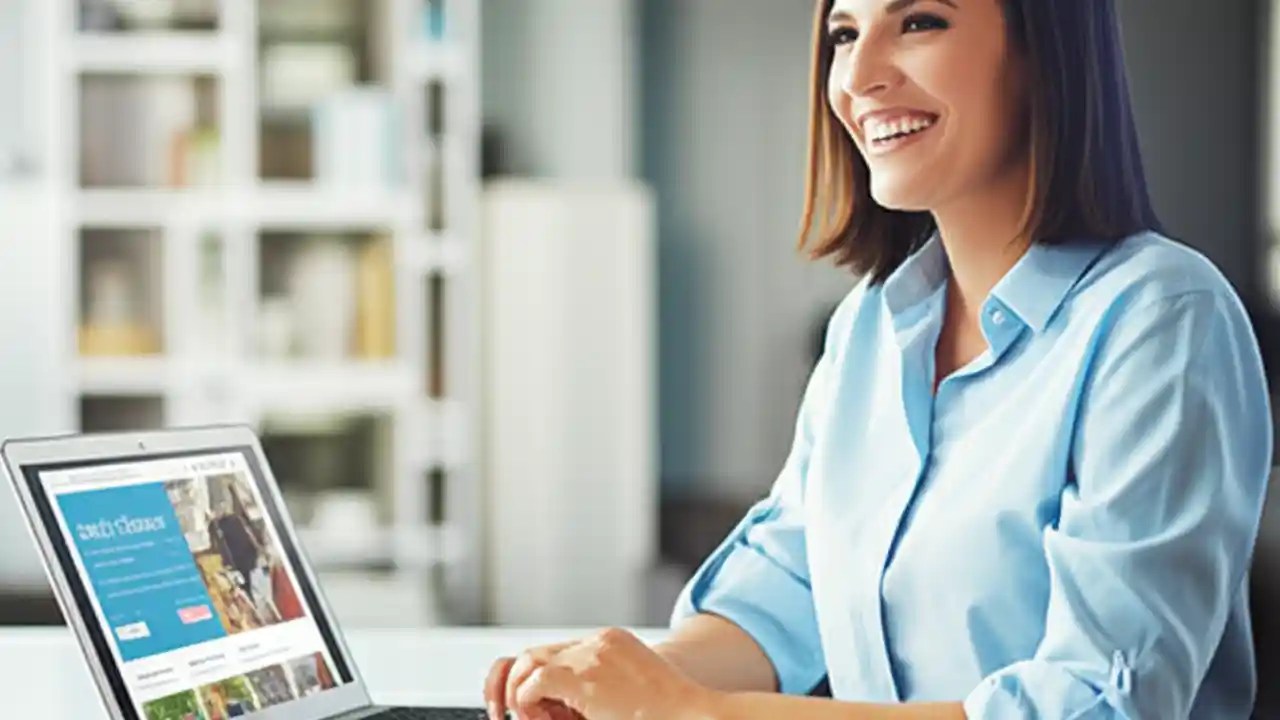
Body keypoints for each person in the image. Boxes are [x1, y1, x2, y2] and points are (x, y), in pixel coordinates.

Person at [484, 0, 1274, 718]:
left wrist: (691, 712)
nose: (858, 78)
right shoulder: (870, 327)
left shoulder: (1161, 318)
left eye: (921, 22)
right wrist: (616, 681)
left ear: (1043, 52)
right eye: (843, 35)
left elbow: (1099, 704)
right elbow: (786, 587)